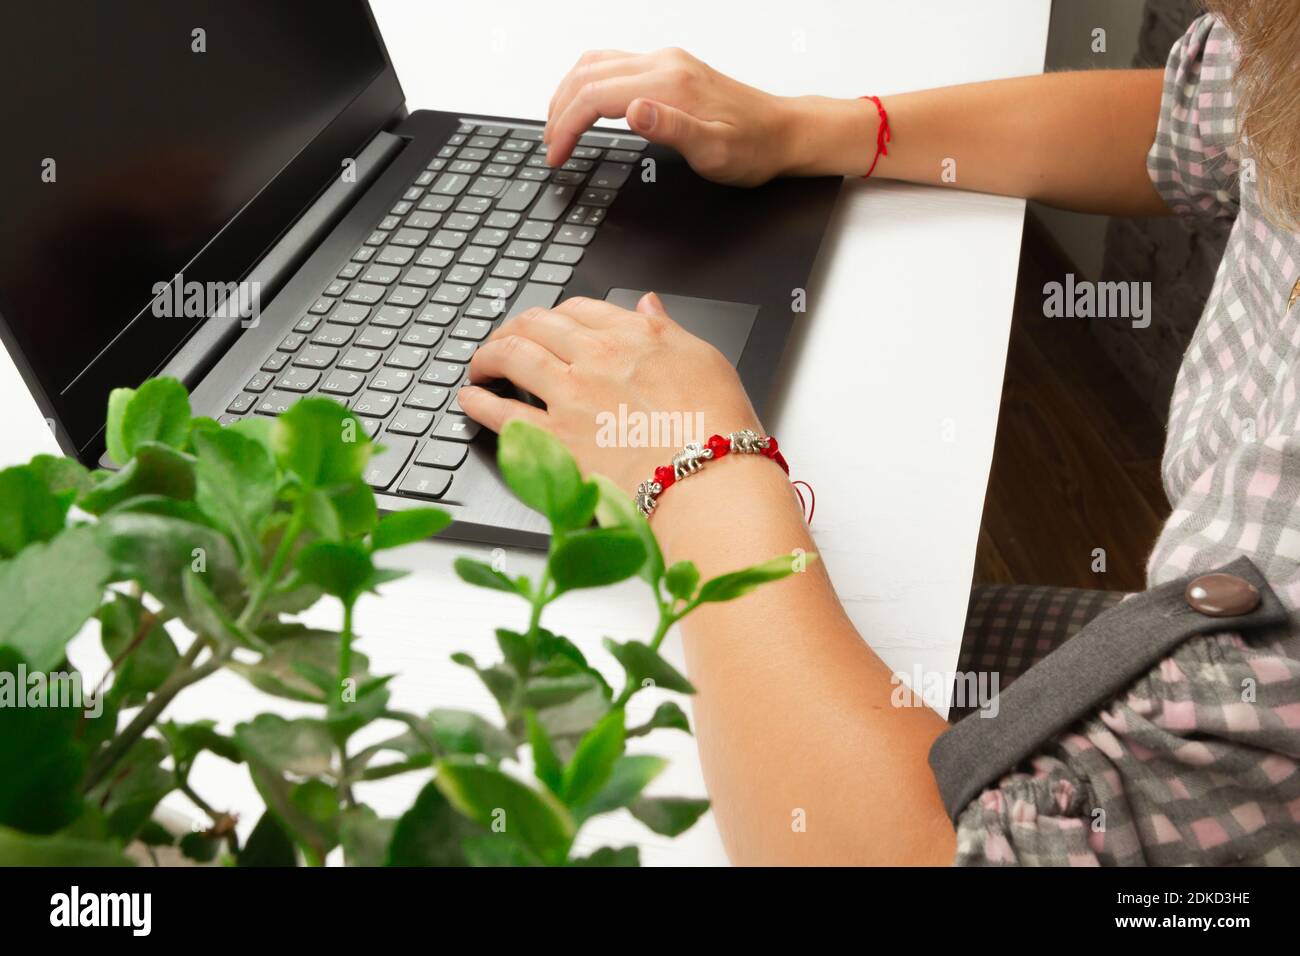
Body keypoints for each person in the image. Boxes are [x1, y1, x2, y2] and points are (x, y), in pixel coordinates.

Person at [456, 1, 1300, 865]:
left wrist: (695, 461)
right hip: (1182, 657)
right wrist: (810, 130)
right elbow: (1192, 119)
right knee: (870, 628)